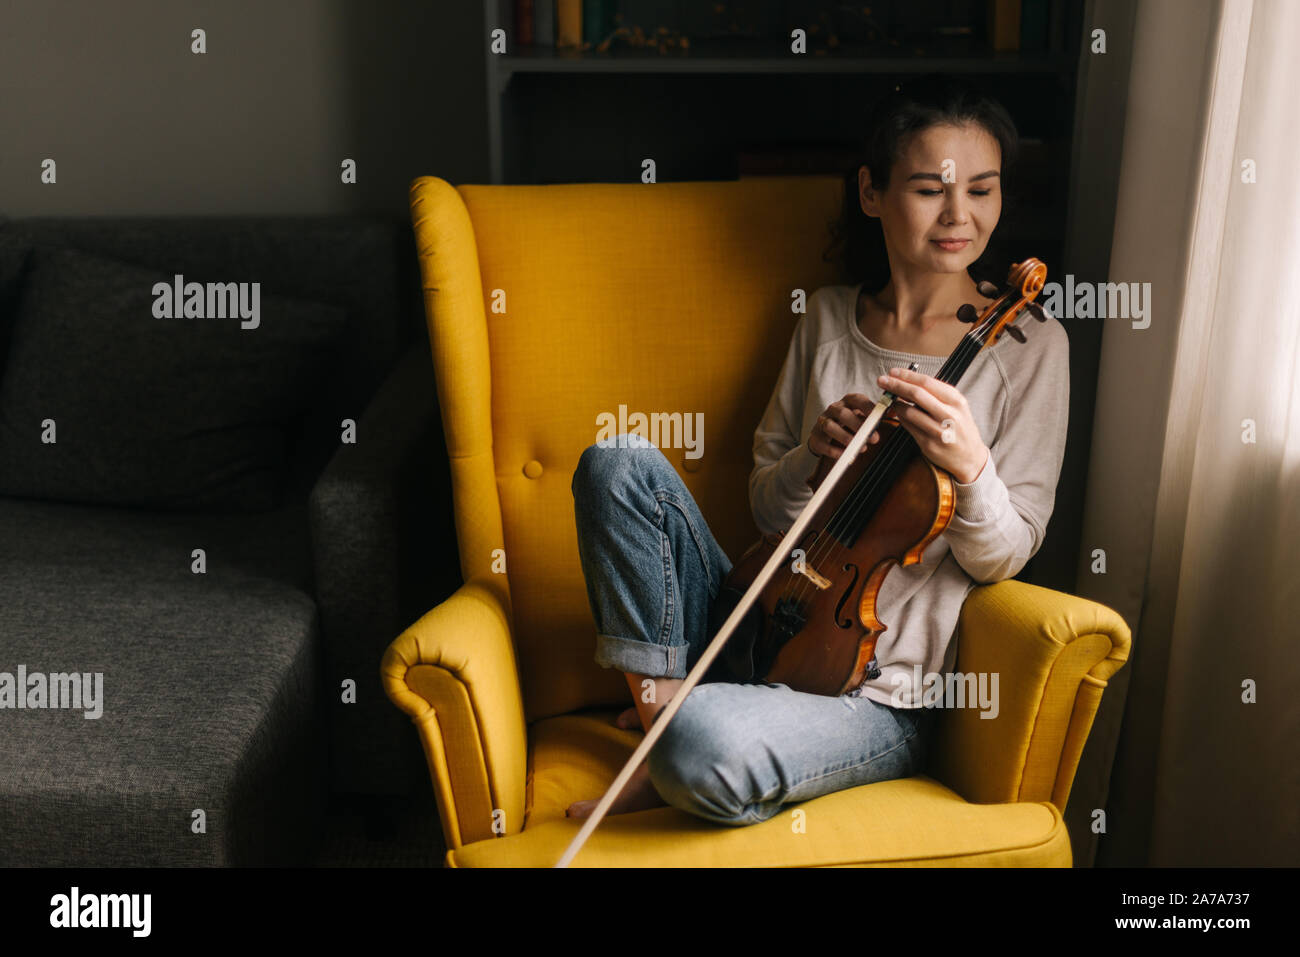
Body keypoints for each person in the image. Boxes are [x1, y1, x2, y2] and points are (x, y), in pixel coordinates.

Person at [565, 73, 1070, 825]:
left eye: (983, 190)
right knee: (616, 462)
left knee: (708, 744)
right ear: (872, 192)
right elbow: (766, 501)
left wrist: (971, 466)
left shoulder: (1032, 347)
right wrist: (809, 458)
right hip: (759, 618)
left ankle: (677, 732)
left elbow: (1005, 555)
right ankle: (662, 713)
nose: (960, 216)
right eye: (931, 189)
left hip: (870, 695)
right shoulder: (828, 317)